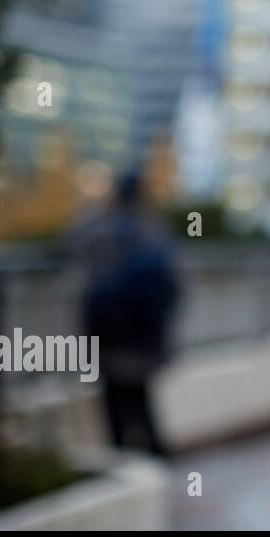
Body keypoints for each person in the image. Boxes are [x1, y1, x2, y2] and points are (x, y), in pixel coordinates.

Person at [69, 171, 179, 457]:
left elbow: (70, 244)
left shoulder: (100, 225)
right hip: (144, 339)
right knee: (141, 398)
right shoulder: (154, 228)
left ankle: (123, 458)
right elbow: (174, 282)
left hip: (107, 336)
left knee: (114, 403)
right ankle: (154, 458)